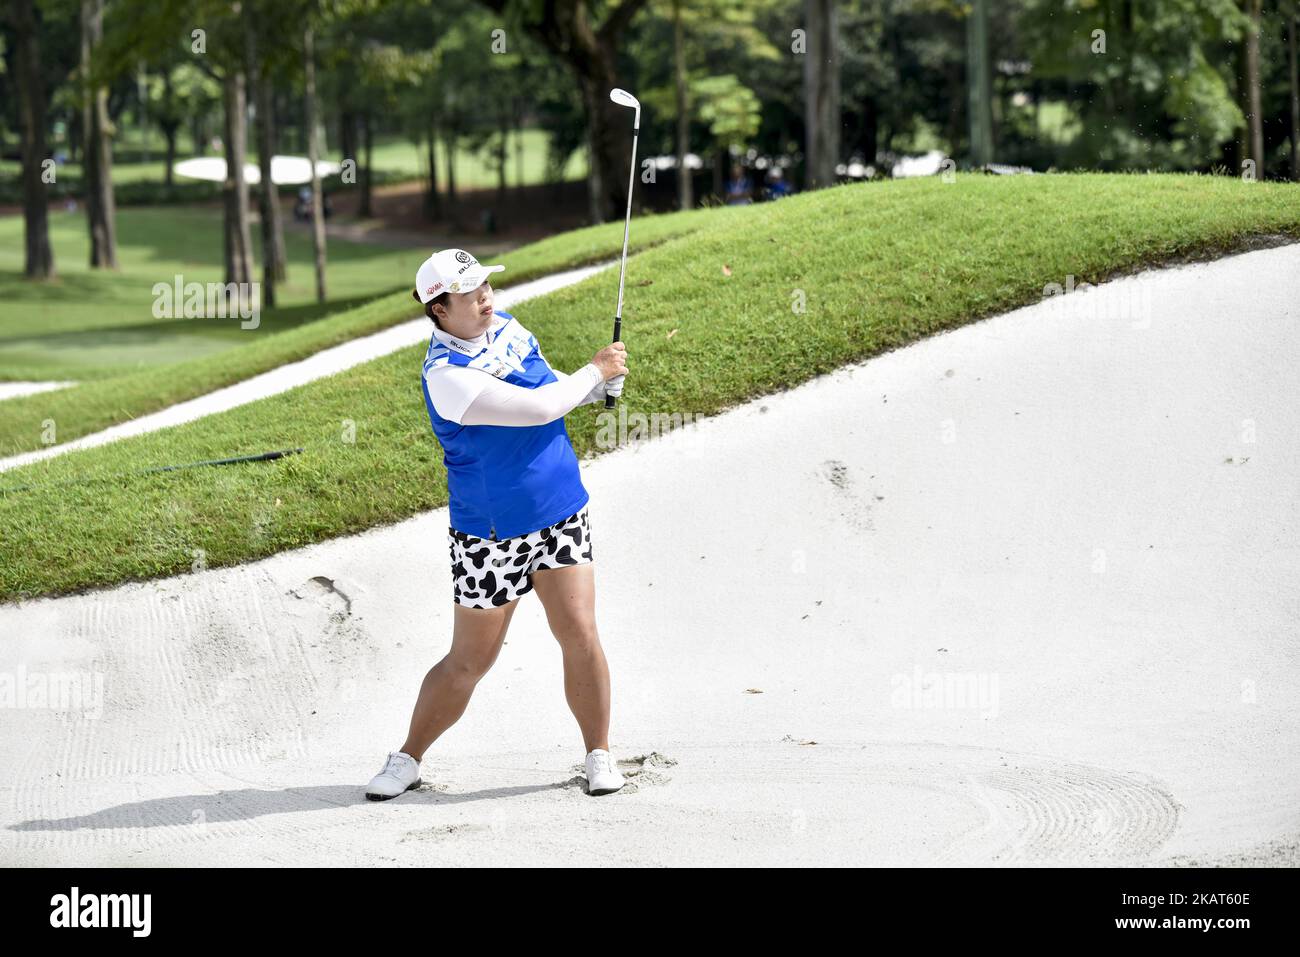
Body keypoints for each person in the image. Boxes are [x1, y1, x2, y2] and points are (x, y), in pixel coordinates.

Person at [364, 248, 630, 801]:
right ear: (439, 309)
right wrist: (594, 371)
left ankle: (598, 754)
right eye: (471, 292)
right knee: (470, 661)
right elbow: (539, 408)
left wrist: (595, 387)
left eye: (486, 285)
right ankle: (408, 757)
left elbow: (544, 380)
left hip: (559, 510)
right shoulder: (446, 377)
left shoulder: (507, 327)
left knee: (579, 632)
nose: (486, 296)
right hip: (490, 535)